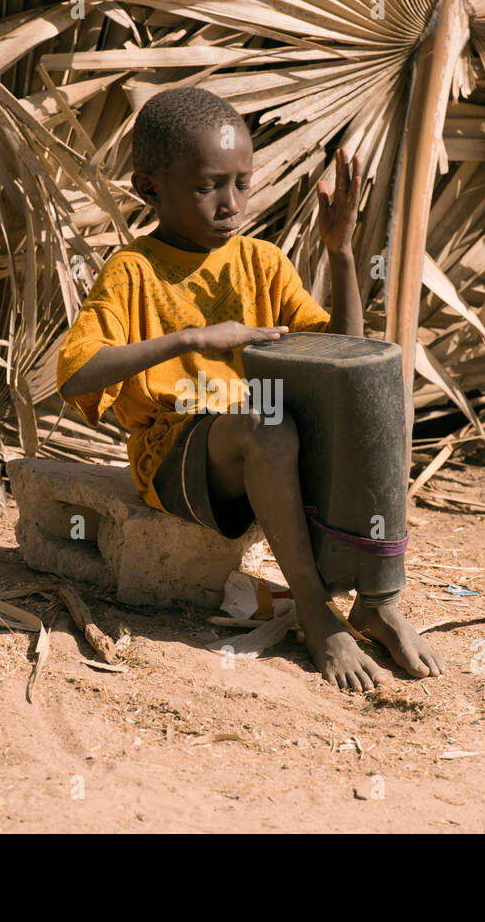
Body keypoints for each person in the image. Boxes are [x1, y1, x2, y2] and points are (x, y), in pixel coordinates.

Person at [57, 87, 443, 691]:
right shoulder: (134, 269)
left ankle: (376, 596)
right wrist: (189, 340)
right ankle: (315, 611)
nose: (230, 204)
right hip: (177, 456)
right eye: (208, 186)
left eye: (242, 183)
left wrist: (340, 254)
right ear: (150, 188)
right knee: (268, 425)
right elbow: (77, 375)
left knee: (376, 390)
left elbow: (344, 356)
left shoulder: (262, 261)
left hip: (267, 445)